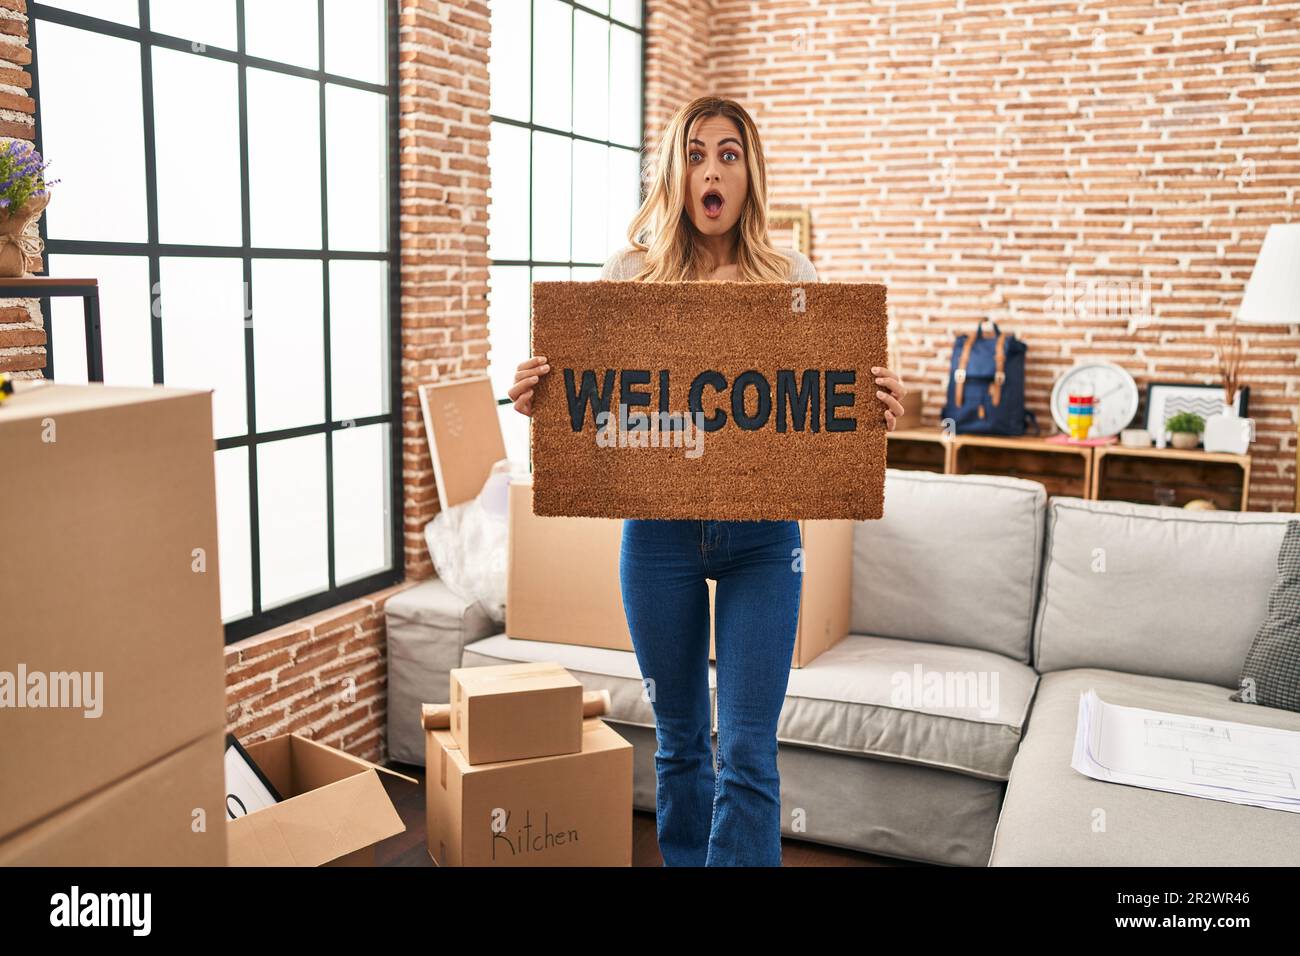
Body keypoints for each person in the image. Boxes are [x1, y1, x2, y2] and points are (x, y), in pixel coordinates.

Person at [509, 95, 907, 866]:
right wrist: (541, 399)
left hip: (765, 543)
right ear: (676, 171)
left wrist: (872, 408)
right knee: (681, 745)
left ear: (748, 172)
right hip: (658, 542)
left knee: (749, 754)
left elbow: (818, 404)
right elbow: (599, 408)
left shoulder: (791, 274)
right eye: (696, 154)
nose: (712, 170)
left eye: (729, 154)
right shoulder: (629, 274)